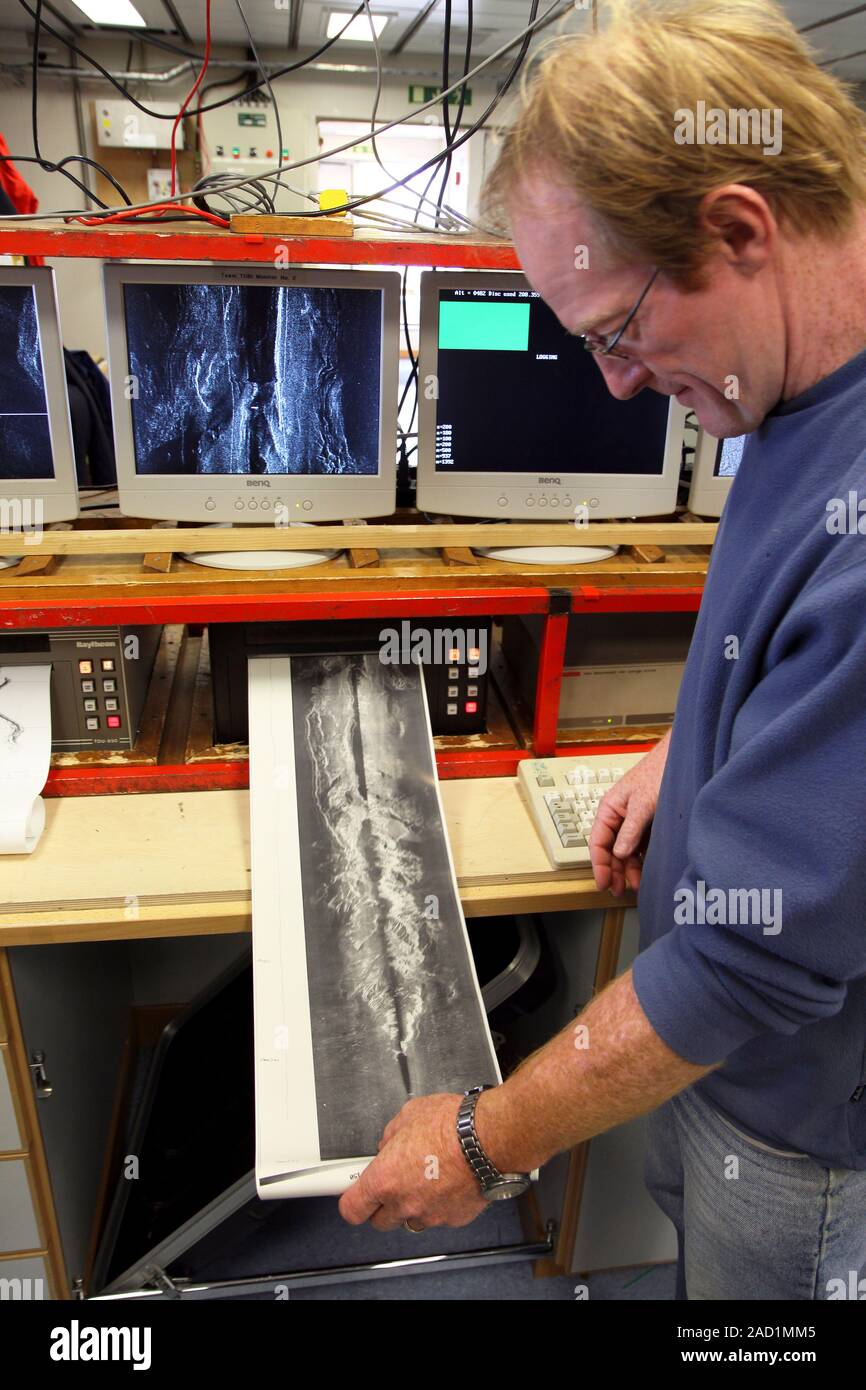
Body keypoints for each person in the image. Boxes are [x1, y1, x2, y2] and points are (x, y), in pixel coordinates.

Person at [340, 0, 866, 1300]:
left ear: (739, 227)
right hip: (725, 1087)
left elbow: (749, 963)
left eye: (615, 331)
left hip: (802, 1140)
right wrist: (689, 754)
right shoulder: (791, 389)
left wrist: (477, 1139)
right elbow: (786, 651)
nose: (617, 384)